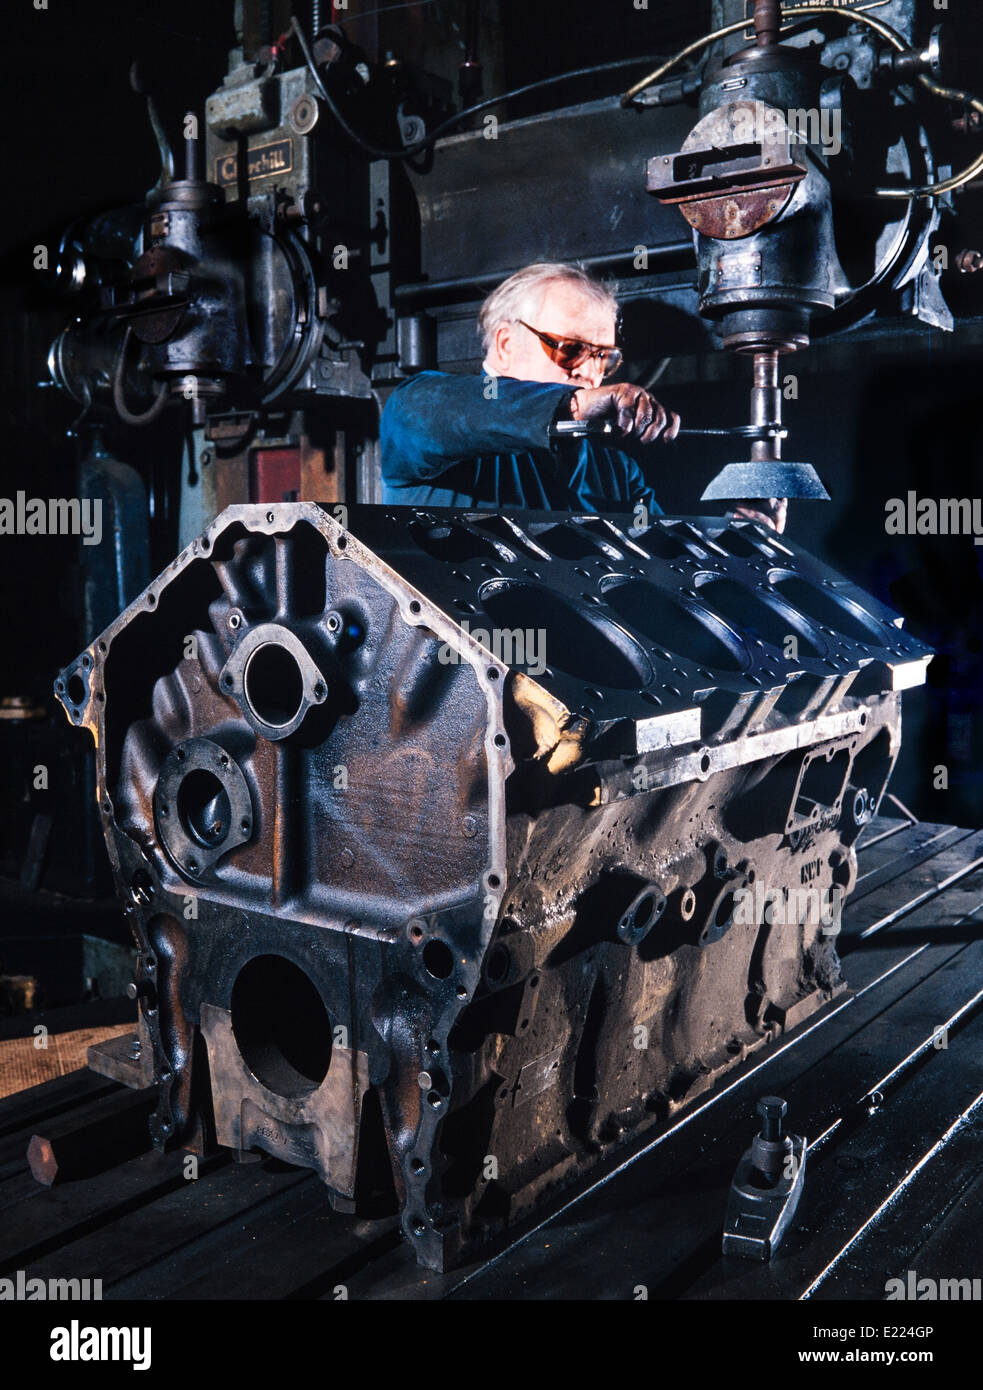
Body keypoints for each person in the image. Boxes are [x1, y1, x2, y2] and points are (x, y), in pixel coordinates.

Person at [381, 261, 784, 530]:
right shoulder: (422, 416)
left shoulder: (614, 471)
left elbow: (660, 563)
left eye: (603, 357)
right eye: (570, 349)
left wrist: (733, 536)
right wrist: (574, 404)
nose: (589, 373)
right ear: (505, 345)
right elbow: (421, 409)